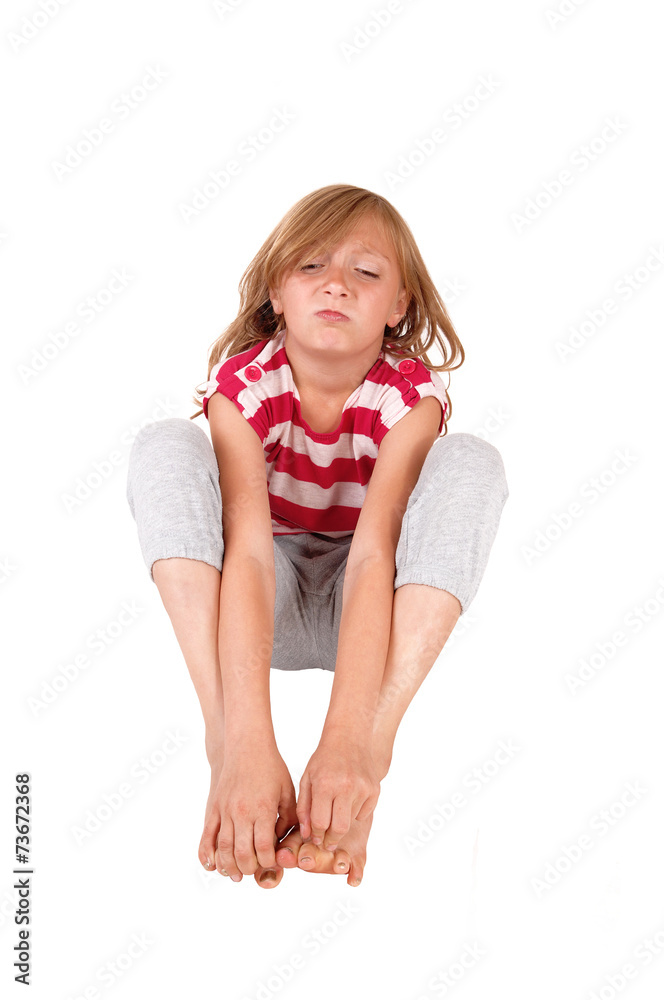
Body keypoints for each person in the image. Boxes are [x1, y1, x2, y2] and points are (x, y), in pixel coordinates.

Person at [126, 183, 509, 890]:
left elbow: (373, 558)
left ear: (399, 305)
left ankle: (371, 749)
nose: (336, 285)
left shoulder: (409, 397)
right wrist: (248, 736)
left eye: (365, 273)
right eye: (311, 268)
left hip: (373, 613)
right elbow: (244, 550)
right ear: (277, 291)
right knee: (163, 443)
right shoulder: (244, 387)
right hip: (258, 602)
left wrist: (344, 737)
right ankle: (226, 739)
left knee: (473, 460)